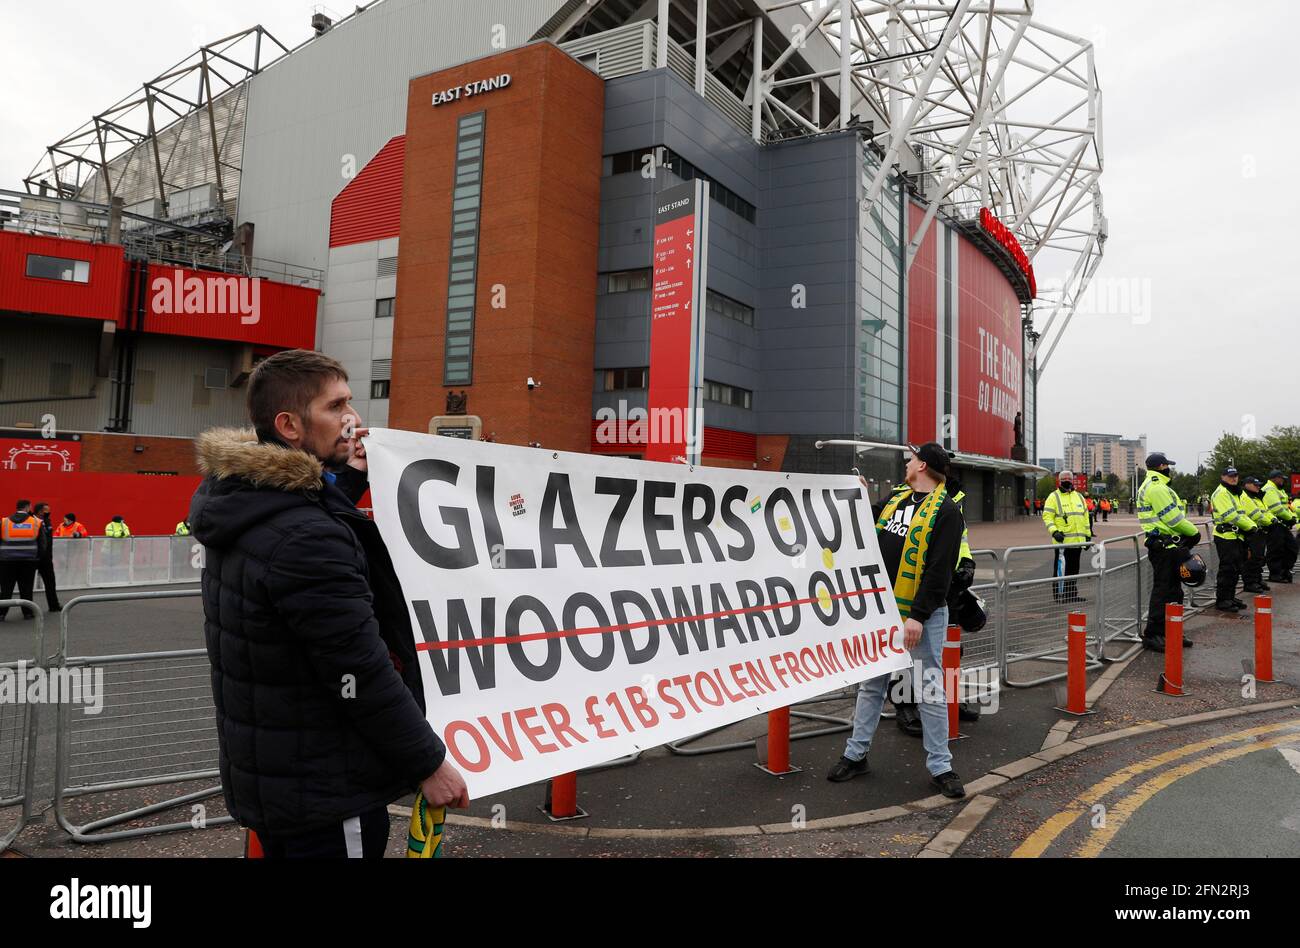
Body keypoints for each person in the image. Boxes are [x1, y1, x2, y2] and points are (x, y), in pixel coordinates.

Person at [189, 349, 467, 858]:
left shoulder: (241, 497)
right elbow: (359, 669)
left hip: (282, 777)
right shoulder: (307, 538)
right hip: (327, 791)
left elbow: (298, 514)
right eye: (336, 406)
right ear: (290, 425)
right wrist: (429, 763)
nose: (352, 418)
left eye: (350, 402)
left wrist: (351, 478)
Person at [827, 442, 967, 799]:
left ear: (923, 466)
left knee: (930, 690)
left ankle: (941, 767)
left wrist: (917, 615)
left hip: (922, 617)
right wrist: (856, 495)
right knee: (871, 686)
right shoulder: (896, 500)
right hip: (883, 611)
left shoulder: (947, 511)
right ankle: (855, 755)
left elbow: (940, 571)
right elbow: (863, 519)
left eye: (912, 458)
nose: (907, 462)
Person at [891, 473, 980, 736]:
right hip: (913, 584)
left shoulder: (954, 495)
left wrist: (966, 563)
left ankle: (949, 699)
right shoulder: (906, 493)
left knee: (949, 649)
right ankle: (905, 705)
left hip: (946, 586)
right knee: (907, 652)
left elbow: (961, 539)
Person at [1135, 454, 1199, 652]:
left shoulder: (1157, 485)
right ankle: (1153, 635)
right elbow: (1173, 518)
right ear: (1161, 466)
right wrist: (1193, 532)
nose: (1169, 469)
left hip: (1169, 546)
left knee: (1174, 591)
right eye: (1167, 465)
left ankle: (1172, 631)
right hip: (1164, 547)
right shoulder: (1157, 487)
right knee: (1163, 591)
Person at [1041, 470, 1092, 603]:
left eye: (1069, 479)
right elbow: (1047, 517)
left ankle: (1071, 595)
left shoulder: (1079, 497)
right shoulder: (1053, 497)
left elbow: (1085, 517)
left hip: (1078, 542)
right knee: (1061, 570)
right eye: (1064, 479)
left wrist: (1087, 536)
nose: (1067, 481)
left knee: (1074, 570)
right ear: (1059, 481)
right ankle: (1060, 596)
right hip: (1062, 542)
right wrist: (1054, 532)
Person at [1209, 467, 1254, 611]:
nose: (1234, 478)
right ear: (1222, 477)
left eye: (1236, 475)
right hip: (1225, 536)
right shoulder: (1222, 492)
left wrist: (1251, 525)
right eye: (1230, 476)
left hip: (1235, 536)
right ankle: (1223, 600)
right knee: (1227, 569)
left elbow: (1242, 514)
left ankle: (1230, 597)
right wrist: (1251, 526)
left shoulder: (1233, 492)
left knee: (1235, 569)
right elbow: (1231, 516)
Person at [0, 500, 41, 621]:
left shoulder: (4, 522)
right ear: (27, 508)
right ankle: (28, 613)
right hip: (28, 561)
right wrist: (37, 558)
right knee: (26, 588)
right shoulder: (35, 522)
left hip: (7, 561)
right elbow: (42, 544)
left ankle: (1, 614)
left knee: (6, 589)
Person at [1261, 471, 1297, 583]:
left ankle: (1284, 570)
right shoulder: (1269, 489)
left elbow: (1285, 507)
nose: (1283, 480)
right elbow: (1276, 508)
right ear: (1274, 478)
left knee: (1292, 548)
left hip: (1282, 524)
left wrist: (1291, 517)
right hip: (1274, 524)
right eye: (1281, 478)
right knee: (1276, 550)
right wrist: (1290, 518)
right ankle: (1275, 574)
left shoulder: (1278, 489)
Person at [1240, 477, 1273, 594]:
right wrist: (1270, 523)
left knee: (1259, 557)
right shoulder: (1245, 497)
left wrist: (1271, 521)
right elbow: (1256, 515)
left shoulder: (1256, 497)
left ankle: (1257, 579)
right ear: (1247, 485)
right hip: (1252, 531)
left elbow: (1265, 512)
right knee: (1253, 558)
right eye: (1255, 485)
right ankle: (1250, 583)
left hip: (1259, 530)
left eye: (1259, 484)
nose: (1258, 486)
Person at [32, 502, 61, 613]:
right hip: (33, 557)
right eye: (47, 510)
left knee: (50, 583)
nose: (49, 512)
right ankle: (28, 610)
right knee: (27, 585)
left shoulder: (47, 521)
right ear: (40, 511)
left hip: (46, 558)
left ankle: (54, 605)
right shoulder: (30, 521)